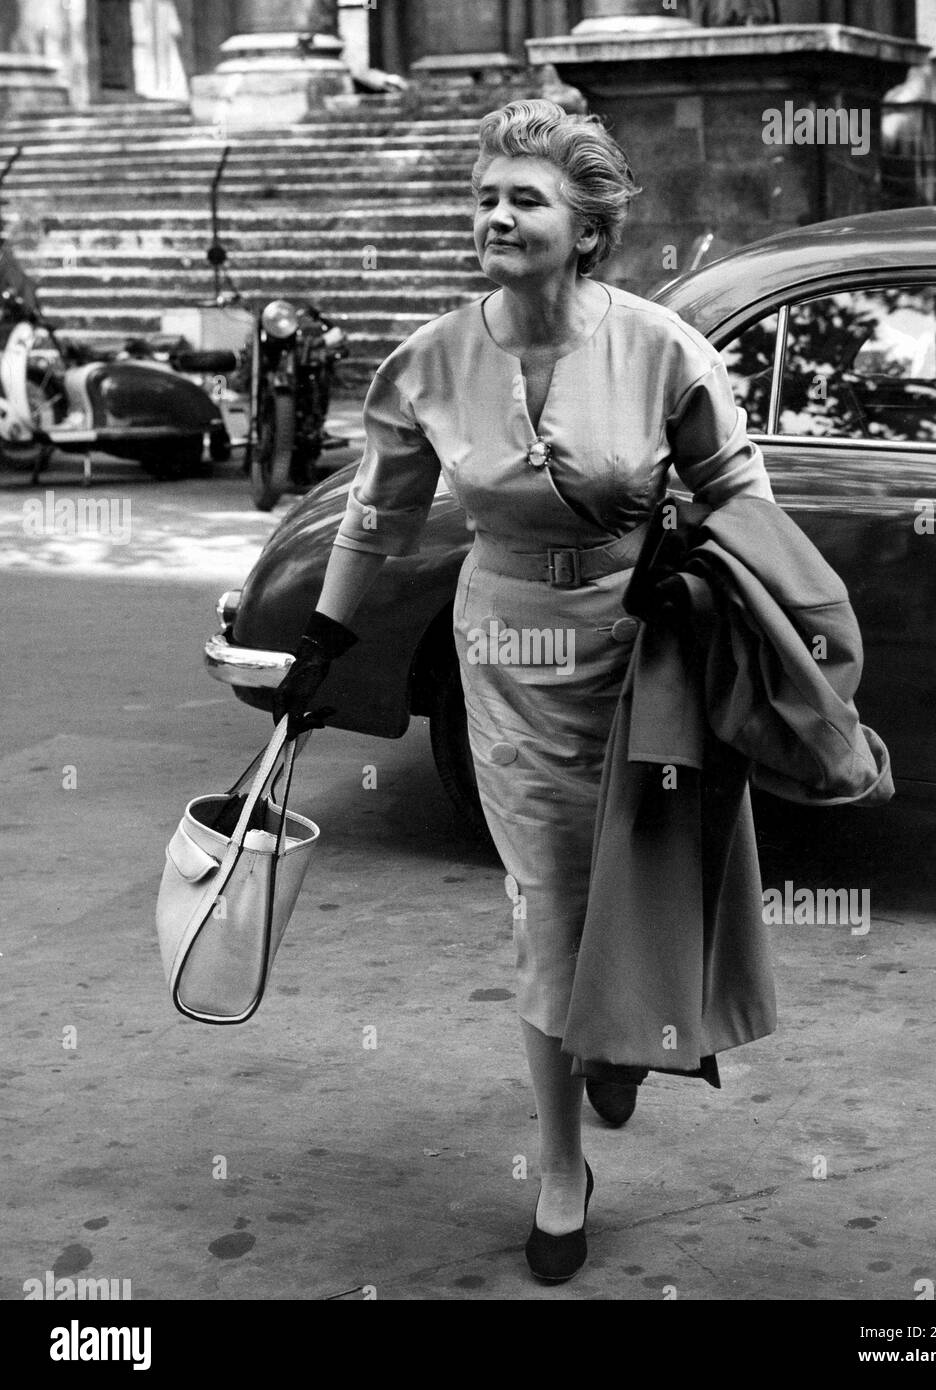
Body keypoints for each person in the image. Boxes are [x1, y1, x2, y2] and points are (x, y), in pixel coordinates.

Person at [274, 99, 775, 1284]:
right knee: (546, 905)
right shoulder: (433, 359)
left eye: (525, 199)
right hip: (509, 658)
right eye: (485, 196)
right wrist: (323, 643)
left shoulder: (661, 348)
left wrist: (756, 624)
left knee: (647, 877)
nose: (497, 215)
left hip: (646, 657)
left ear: (586, 229)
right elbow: (375, 516)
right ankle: (560, 1162)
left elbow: (736, 496)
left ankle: (617, 1044)